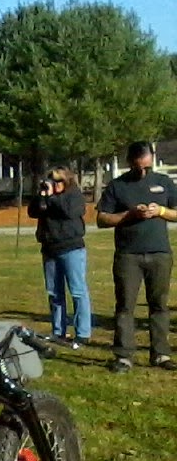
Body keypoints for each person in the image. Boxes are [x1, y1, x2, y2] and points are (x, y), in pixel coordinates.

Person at [95, 141, 177, 373]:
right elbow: (102, 219)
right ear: (129, 162)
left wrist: (160, 211)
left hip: (160, 253)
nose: (143, 172)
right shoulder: (117, 186)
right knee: (125, 306)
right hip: (128, 256)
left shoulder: (164, 182)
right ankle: (123, 356)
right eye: (139, 167)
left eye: (147, 167)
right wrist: (129, 214)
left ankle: (160, 354)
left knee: (159, 305)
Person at [28, 167, 91, 345]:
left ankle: (83, 332)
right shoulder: (46, 196)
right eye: (51, 181)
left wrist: (52, 197)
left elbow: (69, 212)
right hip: (50, 249)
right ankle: (58, 331)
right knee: (54, 293)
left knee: (78, 291)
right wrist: (41, 195)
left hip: (72, 249)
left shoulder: (74, 196)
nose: (54, 184)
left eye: (58, 181)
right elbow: (33, 211)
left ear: (67, 181)